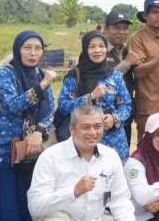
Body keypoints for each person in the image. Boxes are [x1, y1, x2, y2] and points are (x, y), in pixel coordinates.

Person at [0, 30, 56, 221]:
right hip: (8, 145)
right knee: (9, 196)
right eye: (27, 48)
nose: (33, 53)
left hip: (34, 146)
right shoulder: (6, 74)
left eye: (38, 48)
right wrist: (44, 84)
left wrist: (38, 132)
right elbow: (12, 104)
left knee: (32, 193)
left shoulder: (39, 74)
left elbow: (51, 110)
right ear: (18, 49)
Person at [57, 30, 133, 159]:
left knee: (113, 176)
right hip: (84, 140)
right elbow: (63, 106)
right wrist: (90, 96)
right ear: (85, 49)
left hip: (114, 140)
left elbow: (126, 105)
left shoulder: (114, 75)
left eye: (102, 46)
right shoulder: (74, 76)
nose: (98, 50)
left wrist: (114, 118)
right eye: (92, 47)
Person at [128, 0, 159, 144]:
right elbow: (138, 71)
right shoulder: (137, 39)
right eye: (155, 12)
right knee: (147, 148)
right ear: (145, 15)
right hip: (149, 108)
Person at [103, 9, 141, 147]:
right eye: (117, 27)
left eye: (125, 28)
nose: (121, 32)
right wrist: (127, 63)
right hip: (106, 116)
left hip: (125, 114)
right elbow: (102, 79)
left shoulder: (127, 51)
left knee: (123, 157)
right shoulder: (98, 50)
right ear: (106, 29)